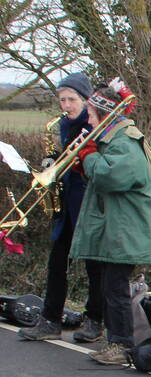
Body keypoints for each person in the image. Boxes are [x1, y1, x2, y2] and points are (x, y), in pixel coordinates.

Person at [67, 80, 151, 366]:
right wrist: (85, 164)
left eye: (92, 114)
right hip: (117, 228)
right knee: (110, 286)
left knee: (115, 288)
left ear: (104, 114)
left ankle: (121, 344)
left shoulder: (125, 140)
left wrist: (90, 156)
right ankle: (115, 341)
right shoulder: (114, 138)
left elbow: (112, 178)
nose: (88, 119)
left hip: (125, 230)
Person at [18, 73, 96, 343]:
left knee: (93, 265)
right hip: (66, 202)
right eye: (62, 99)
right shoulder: (64, 124)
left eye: (71, 99)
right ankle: (50, 319)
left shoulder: (94, 124)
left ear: (85, 100)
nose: (66, 105)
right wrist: (49, 160)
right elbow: (62, 156)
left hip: (87, 202)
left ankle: (94, 321)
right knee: (57, 262)